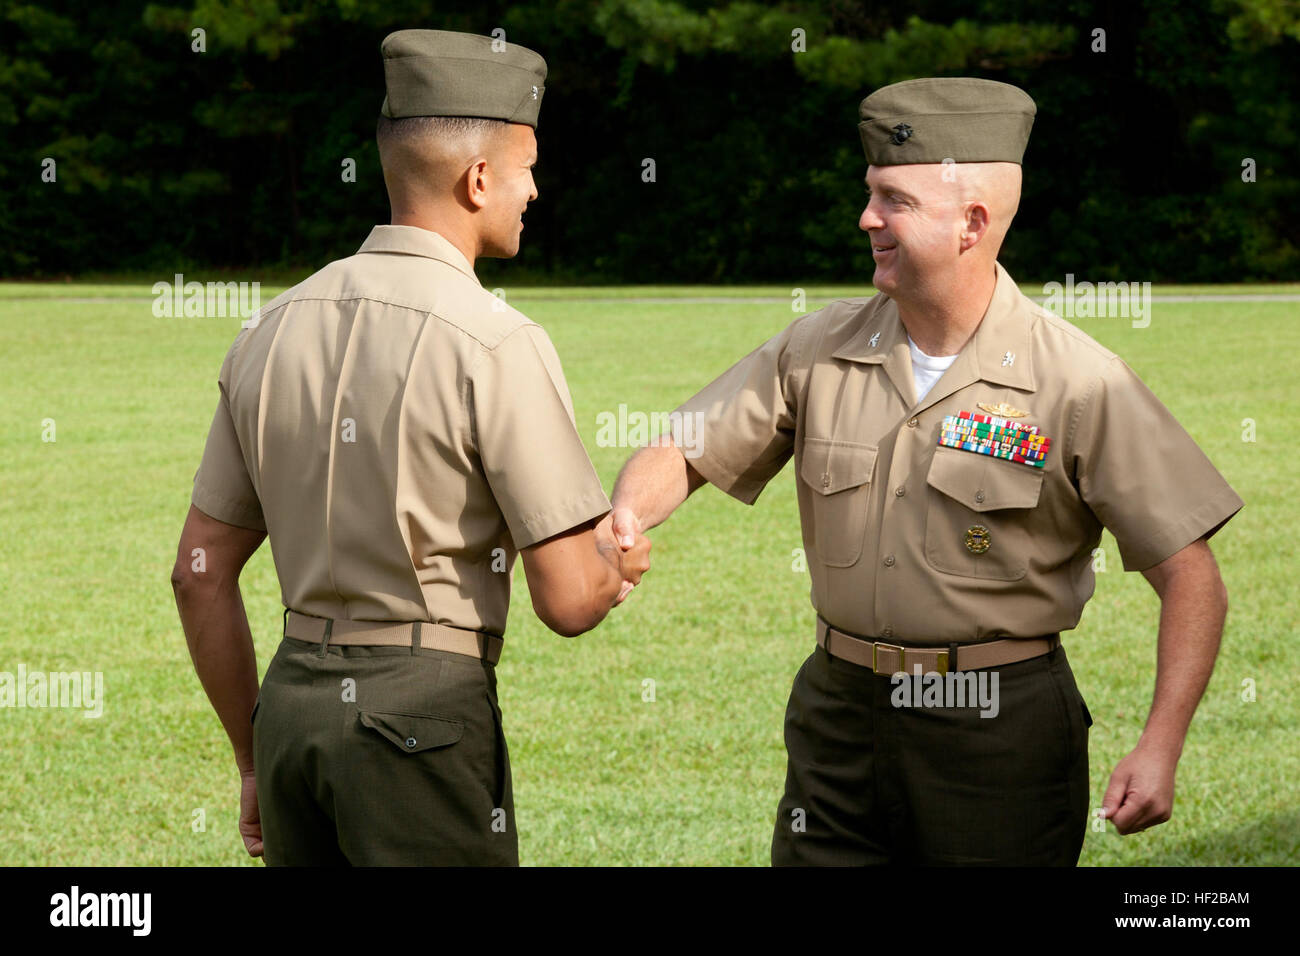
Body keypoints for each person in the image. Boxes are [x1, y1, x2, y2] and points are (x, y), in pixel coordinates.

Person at [608, 77, 1241, 865]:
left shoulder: (1080, 381)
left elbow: (1191, 575)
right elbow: (684, 444)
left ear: (972, 222)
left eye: (893, 200)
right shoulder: (815, 349)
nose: (866, 218)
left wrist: (1161, 743)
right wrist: (631, 512)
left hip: (996, 731)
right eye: (871, 194)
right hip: (838, 720)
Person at [170, 28, 650, 866]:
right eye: (526, 167)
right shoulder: (498, 341)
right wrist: (617, 565)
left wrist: (254, 757)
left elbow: (197, 572)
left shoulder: (269, 328)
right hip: (422, 720)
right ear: (477, 179)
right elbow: (569, 600)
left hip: (288, 714)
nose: (535, 189)